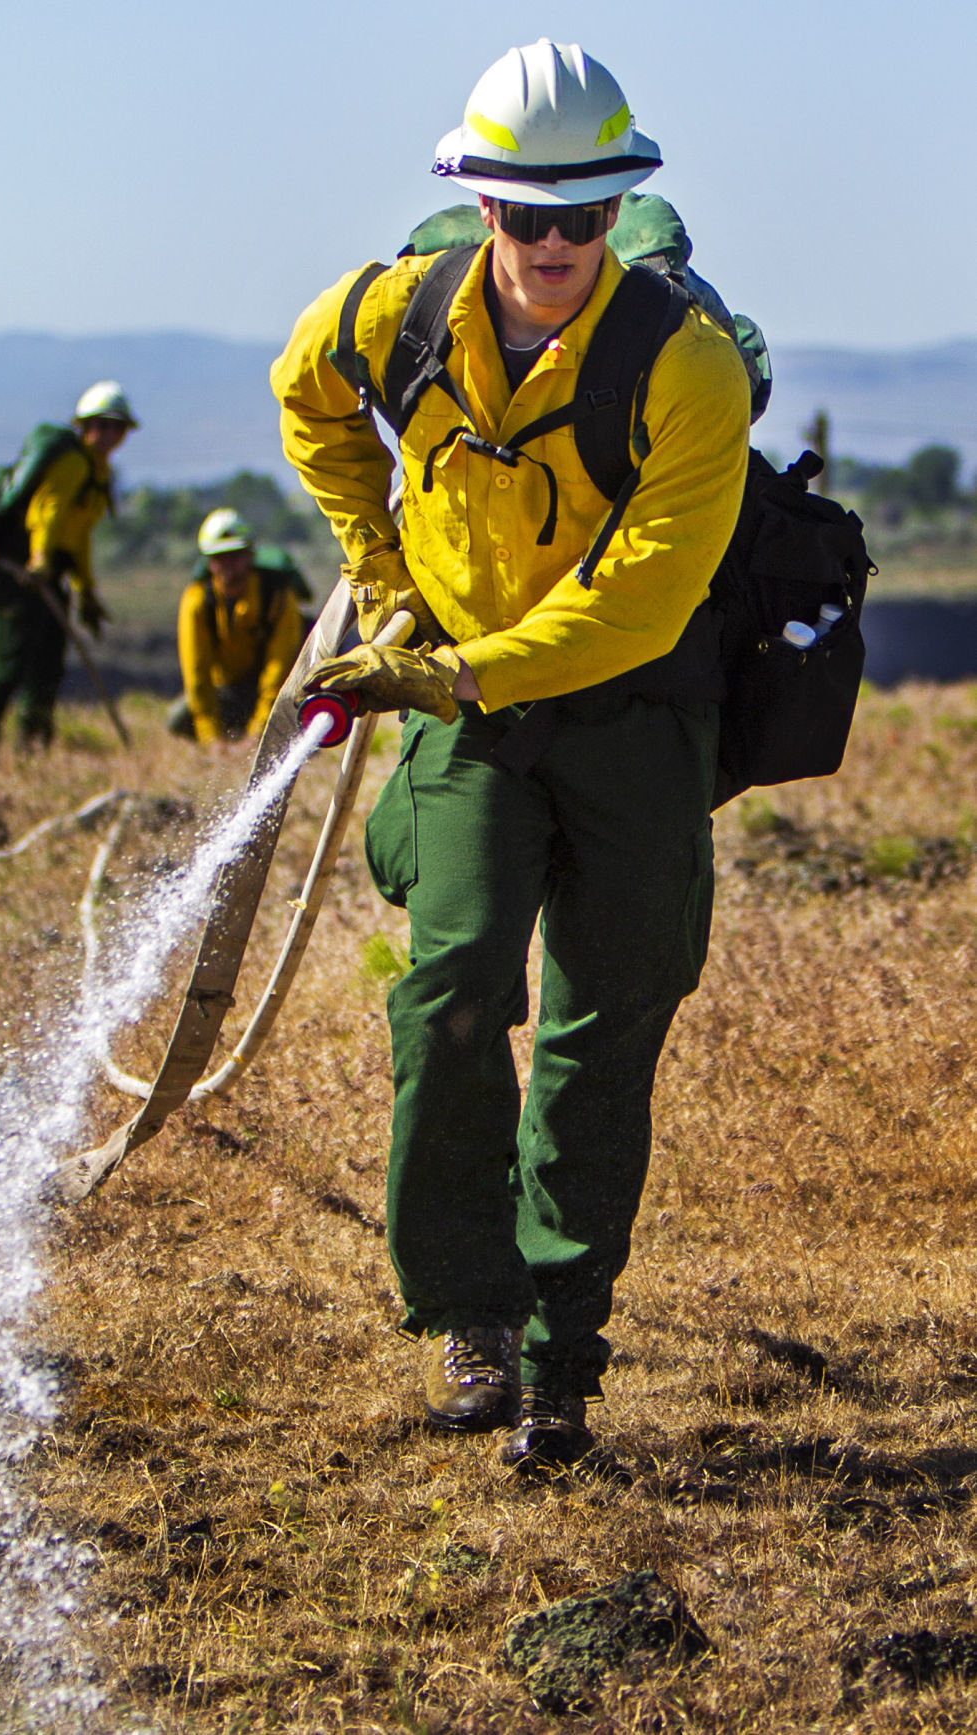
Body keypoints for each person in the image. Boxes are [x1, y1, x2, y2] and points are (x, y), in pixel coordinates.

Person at [271, 39, 751, 1466]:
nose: (553, 242)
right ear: (475, 202)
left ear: (621, 209)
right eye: (524, 212)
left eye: (585, 214)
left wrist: (452, 664)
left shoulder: (686, 364)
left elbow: (642, 596)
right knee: (453, 996)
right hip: (467, 717)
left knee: (602, 1035)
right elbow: (308, 407)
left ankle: (559, 1358)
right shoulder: (383, 317)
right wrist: (386, 570)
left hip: (630, 719)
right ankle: (467, 1313)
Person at [0, 381, 137, 750]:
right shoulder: (74, 464)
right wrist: (40, 560)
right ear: (84, 427)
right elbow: (48, 513)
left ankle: (33, 742)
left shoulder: (99, 472)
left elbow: (79, 536)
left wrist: (86, 589)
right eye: (102, 425)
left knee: (48, 663)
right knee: (12, 661)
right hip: (24, 571)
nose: (109, 434)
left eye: (117, 427)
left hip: (51, 572)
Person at [169, 507, 307, 743]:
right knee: (179, 718)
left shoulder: (278, 597)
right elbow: (197, 674)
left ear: (250, 555)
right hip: (229, 692)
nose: (228, 564)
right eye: (219, 557)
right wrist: (211, 739)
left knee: (308, 720)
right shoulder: (196, 601)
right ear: (209, 562)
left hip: (277, 695)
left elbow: (278, 671)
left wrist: (258, 735)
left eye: (235, 554)